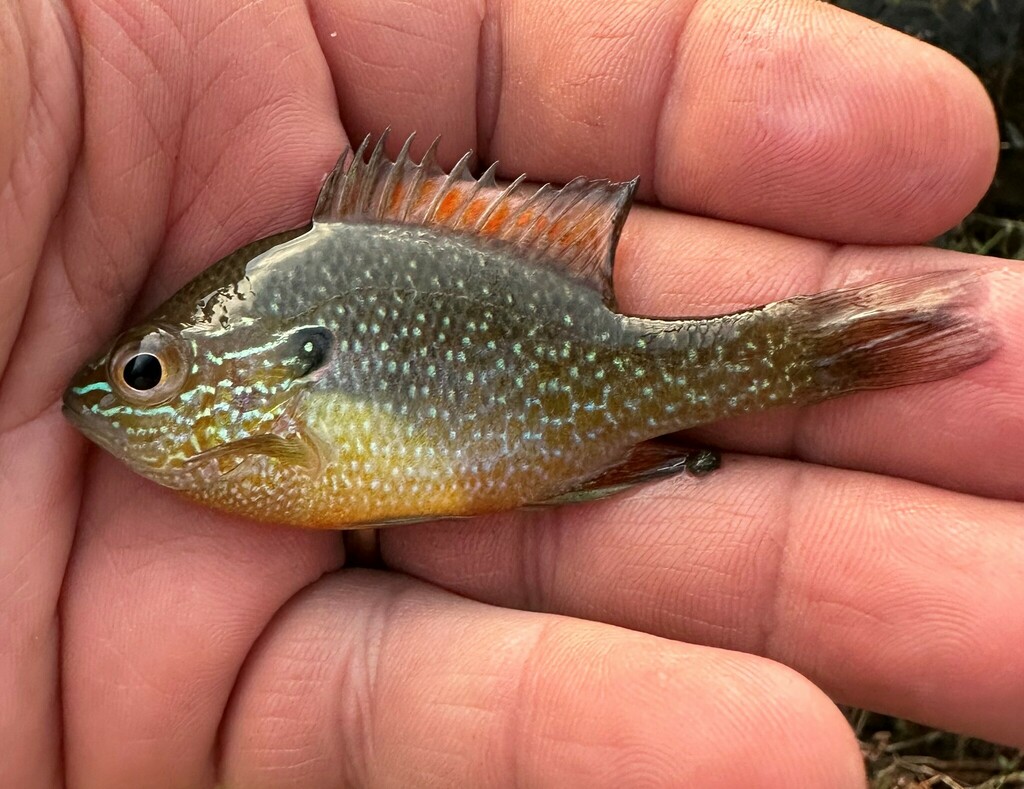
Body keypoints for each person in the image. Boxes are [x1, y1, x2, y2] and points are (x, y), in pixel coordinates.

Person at [1, 0, 1020, 785]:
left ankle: (842, 347)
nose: (111, 399)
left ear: (238, 368)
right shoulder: (241, 432)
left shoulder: (254, 436)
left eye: (146, 375)